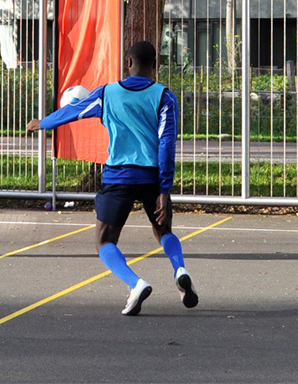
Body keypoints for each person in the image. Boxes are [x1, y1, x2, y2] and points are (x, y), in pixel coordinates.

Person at [26, 40, 198, 316]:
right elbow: (167, 144)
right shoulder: (165, 97)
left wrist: (42, 122)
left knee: (105, 241)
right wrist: (164, 190)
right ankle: (180, 270)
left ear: (128, 63)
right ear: (155, 66)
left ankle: (136, 284)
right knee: (163, 231)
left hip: (119, 176)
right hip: (152, 176)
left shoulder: (108, 94)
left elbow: (73, 111)